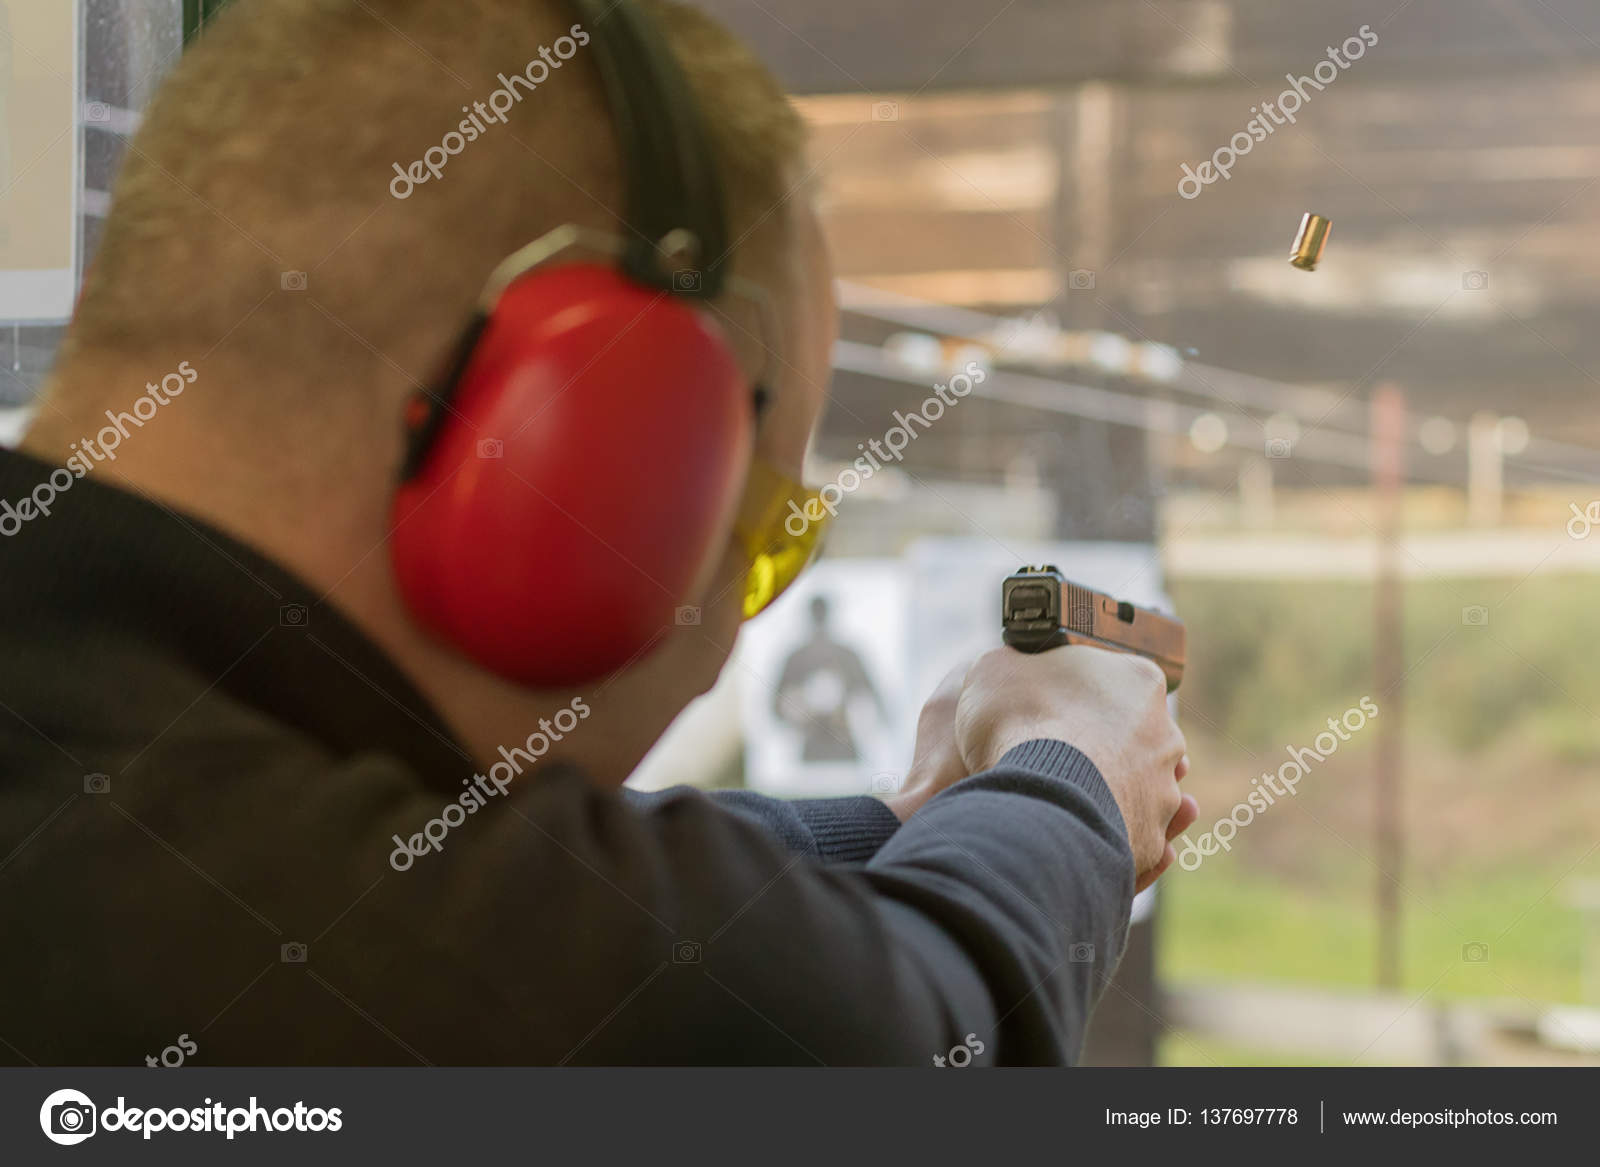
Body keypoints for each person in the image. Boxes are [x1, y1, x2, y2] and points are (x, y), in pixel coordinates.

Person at [0, 0, 1196, 1065]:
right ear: (593, 459)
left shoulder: (124, 760)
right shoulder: (260, 907)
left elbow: (566, 880)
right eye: (767, 532)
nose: (736, 627)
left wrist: (897, 824)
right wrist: (1071, 765)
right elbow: (887, 1034)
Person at [773, 595, 888, 762]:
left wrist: (849, 716)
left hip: (845, 747)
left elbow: (873, 699)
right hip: (812, 749)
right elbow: (776, 707)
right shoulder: (796, 659)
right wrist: (801, 711)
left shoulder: (848, 656)